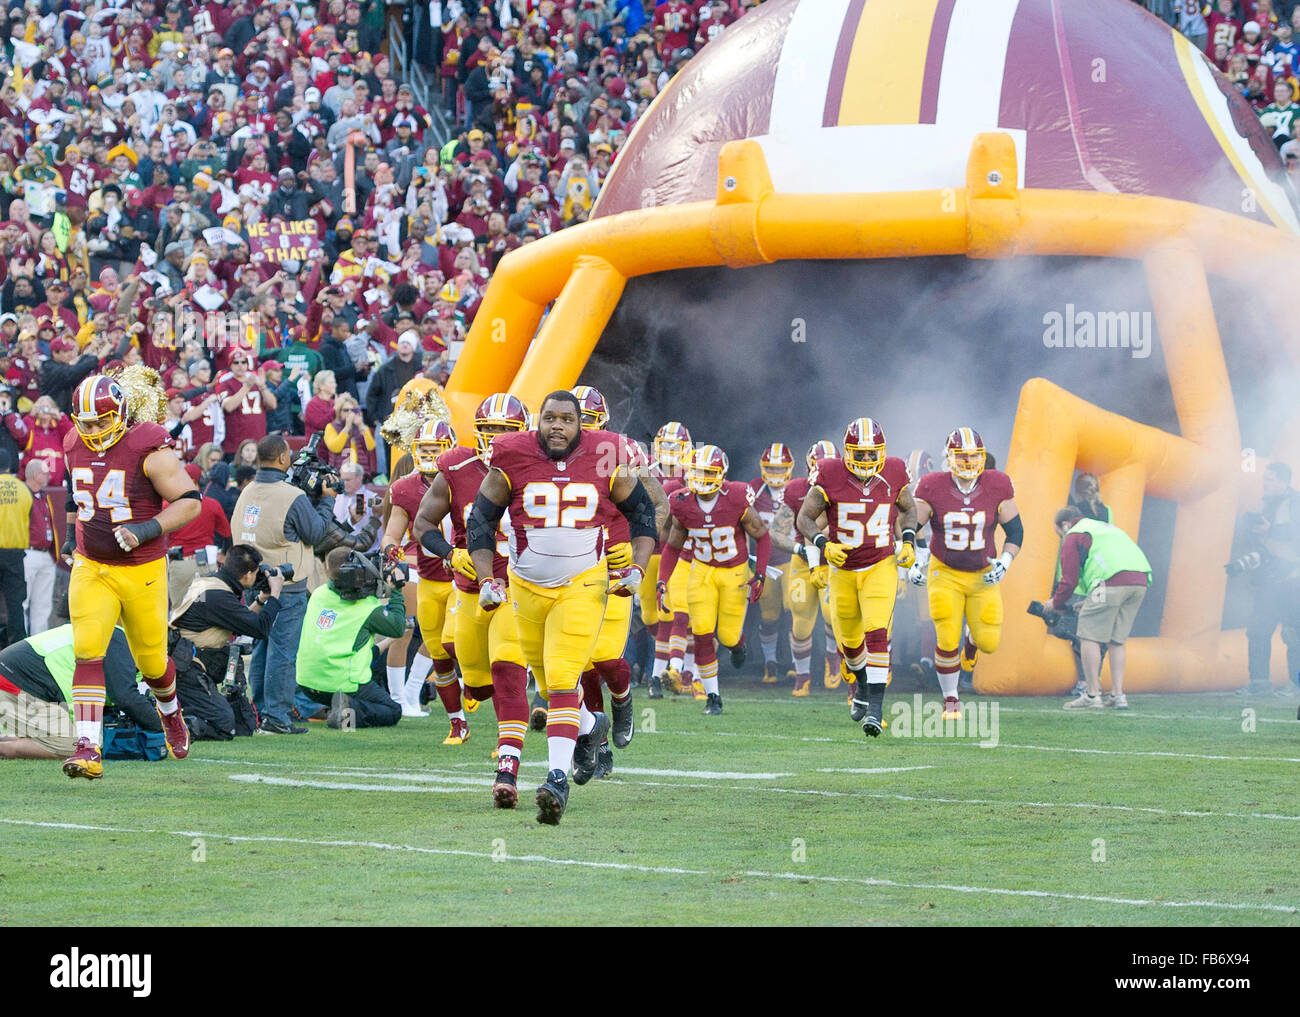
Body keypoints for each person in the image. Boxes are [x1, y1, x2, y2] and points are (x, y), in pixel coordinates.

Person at [469, 390, 657, 824]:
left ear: (580, 425)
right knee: (546, 674)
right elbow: (481, 520)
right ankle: (592, 726)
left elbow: (644, 513)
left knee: (561, 676)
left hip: (583, 583)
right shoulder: (511, 455)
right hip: (526, 586)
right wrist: (485, 578)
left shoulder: (606, 453)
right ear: (538, 422)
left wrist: (640, 568)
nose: (557, 426)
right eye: (549, 418)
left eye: (566, 419)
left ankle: (556, 778)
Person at [61, 375, 201, 779]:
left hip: (142, 570)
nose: (90, 431)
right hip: (92, 566)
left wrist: (144, 529)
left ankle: (171, 713)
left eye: (99, 422)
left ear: (120, 414)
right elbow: (76, 495)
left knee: (152, 662)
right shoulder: (73, 443)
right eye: (83, 423)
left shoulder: (149, 448)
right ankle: (88, 747)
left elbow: (190, 502)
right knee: (88, 650)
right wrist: (72, 537)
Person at [412, 396, 529, 779]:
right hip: (469, 587)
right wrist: (448, 554)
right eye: (489, 430)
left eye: (504, 431)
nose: (495, 439)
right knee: (478, 682)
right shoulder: (457, 466)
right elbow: (423, 524)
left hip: (517, 585)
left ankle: (508, 754)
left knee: (507, 665)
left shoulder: (540, 467)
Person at [796, 418, 917, 738]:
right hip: (843, 570)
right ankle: (861, 684)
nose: (865, 460)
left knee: (876, 632)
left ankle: (875, 710)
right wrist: (824, 545)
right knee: (849, 644)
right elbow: (804, 518)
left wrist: (907, 539)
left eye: (871, 453)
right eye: (859, 454)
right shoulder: (829, 473)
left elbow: (908, 508)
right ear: (847, 452)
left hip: (880, 565)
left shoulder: (894, 471)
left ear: (882, 451)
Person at [571, 386, 666, 775]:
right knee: (578, 665)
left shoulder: (621, 453)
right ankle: (597, 743)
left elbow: (658, 504)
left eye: (588, 422)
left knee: (608, 659)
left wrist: (636, 546)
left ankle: (623, 701)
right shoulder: (540, 456)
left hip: (613, 570)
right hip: (568, 571)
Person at [909, 428, 1022, 718]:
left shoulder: (997, 483)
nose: (969, 462)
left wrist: (1005, 562)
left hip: (982, 572)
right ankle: (951, 700)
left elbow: (1015, 531)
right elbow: (911, 527)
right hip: (944, 571)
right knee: (946, 635)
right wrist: (911, 561)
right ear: (950, 458)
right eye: (963, 456)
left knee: (989, 641)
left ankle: (970, 647)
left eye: (974, 457)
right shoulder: (932, 485)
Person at [231, 433, 340, 734]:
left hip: (254, 578)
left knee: (264, 646)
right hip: (287, 582)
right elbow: (316, 532)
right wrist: (328, 500)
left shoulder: (248, 490)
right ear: (282, 459)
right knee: (282, 650)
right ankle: (277, 716)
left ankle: (263, 709)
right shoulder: (291, 496)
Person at [658, 444, 770, 715]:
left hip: (734, 572)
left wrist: (760, 574)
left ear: (721, 474)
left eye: (709, 473)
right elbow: (672, 546)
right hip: (701, 571)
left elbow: (762, 536)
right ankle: (713, 697)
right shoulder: (682, 502)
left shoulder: (736, 497)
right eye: (698, 472)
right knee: (702, 633)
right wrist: (662, 580)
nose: (702, 479)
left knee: (728, 636)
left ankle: (738, 645)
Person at [380, 422, 460, 720]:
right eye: (424, 449)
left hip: (457, 570)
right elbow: (392, 533)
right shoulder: (405, 487)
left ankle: (412, 691)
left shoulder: (464, 480)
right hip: (419, 568)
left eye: (434, 449)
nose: (428, 454)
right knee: (405, 630)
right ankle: (398, 697)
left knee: (442, 638)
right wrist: (390, 550)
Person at [0, 626, 160, 761]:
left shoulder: (112, 634)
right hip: (12, 685)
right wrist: (163, 727)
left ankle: (11, 742)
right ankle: (6, 749)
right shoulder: (116, 642)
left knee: (76, 735)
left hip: (21, 683)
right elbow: (125, 697)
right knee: (78, 745)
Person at [1048, 506, 1153, 710]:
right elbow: (1109, 563)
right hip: (1139, 581)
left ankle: (1092, 694)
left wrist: (1055, 602)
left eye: (1059, 534)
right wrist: (1089, 600)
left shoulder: (1074, 534)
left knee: (1089, 635)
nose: (1062, 538)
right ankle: (1118, 694)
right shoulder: (1104, 528)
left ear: (1065, 525)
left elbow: (1069, 580)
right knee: (1116, 640)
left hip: (1109, 583)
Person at [296, 547, 405, 729]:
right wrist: (396, 591)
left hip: (308, 685)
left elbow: (354, 649)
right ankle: (347, 714)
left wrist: (386, 643)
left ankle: (338, 708)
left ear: (327, 570)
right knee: (392, 710)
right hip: (342, 684)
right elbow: (398, 627)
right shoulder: (368, 608)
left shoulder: (318, 594)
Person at [1233, 460, 1300, 695]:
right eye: (1264, 479)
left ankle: (1297, 684)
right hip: (1269, 581)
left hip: (1293, 579)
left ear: (1283, 481)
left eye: (1270, 479)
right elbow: (1264, 548)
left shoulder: (1296, 502)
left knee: (1293, 633)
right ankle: (1259, 683)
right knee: (1258, 630)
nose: (1265, 484)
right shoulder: (1265, 506)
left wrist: (1270, 529)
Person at [747, 442, 797, 689]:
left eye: (780, 469)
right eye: (771, 469)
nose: (776, 474)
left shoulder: (797, 490)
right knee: (768, 616)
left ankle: (796, 664)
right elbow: (742, 523)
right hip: (763, 562)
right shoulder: (755, 490)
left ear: (789, 469)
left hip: (790, 561)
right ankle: (770, 662)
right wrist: (749, 558)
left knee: (792, 611)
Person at [166, 464, 233, 608]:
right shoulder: (212, 504)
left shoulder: (167, 505)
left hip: (180, 563)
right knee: (205, 610)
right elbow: (227, 536)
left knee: (179, 611)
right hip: (206, 564)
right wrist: (224, 553)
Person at [0, 449, 32, 647]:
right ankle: (16, 648)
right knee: (15, 604)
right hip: (14, 554)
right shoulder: (23, 489)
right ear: (10, 465)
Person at [22, 460, 57, 637]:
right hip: (28, 552)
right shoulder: (22, 494)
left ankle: (38, 644)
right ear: (36, 475)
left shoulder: (44, 496)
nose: (48, 476)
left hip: (45, 554)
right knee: (23, 602)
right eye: (45, 473)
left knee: (43, 605)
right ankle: (22, 648)